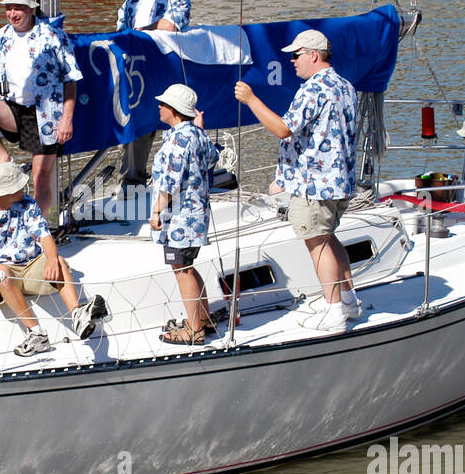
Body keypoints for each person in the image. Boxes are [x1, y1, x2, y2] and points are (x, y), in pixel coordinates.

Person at [234, 29, 362, 332]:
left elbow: (282, 129)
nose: (292, 61)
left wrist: (251, 100)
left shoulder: (313, 89)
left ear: (313, 55)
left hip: (313, 185)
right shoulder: (345, 86)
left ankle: (334, 312)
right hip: (339, 181)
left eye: (296, 55)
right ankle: (349, 301)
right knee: (329, 237)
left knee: (317, 244)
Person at [0, 162, 107, 356]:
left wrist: (51, 259)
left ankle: (78, 315)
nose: (24, 188)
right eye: (19, 185)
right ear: (5, 192)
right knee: (1, 272)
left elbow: (44, 235)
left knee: (57, 260)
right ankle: (36, 335)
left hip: (31, 265)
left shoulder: (27, 204)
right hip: (1, 274)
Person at [0, 0, 82, 214]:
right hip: (13, 109)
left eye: (18, 8)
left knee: (41, 178)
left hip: (45, 115)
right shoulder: (0, 37)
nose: (12, 13)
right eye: (8, 8)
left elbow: (71, 79)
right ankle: (4, 157)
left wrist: (66, 120)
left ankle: (38, 232)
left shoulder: (52, 36)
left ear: (31, 9)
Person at [149, 84, 221, 346]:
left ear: (175, 111)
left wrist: (156, 211)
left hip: (179, 219)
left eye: (163, 104)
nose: (159, 107)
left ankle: (193, 330)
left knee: (181, 270)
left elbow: (170, 181)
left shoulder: (178, 139)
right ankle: (204, 319)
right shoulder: (197, 135)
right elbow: (213, 158)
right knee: (188, 267)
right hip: (197, 215)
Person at [116, 0, 193, 185]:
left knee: (164, 119)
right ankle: (131, 177)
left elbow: (171, 25)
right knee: (133, 118)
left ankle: (171, 176)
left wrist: (139, 33)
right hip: (133, 66)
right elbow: (120, 23)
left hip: (162, 65)